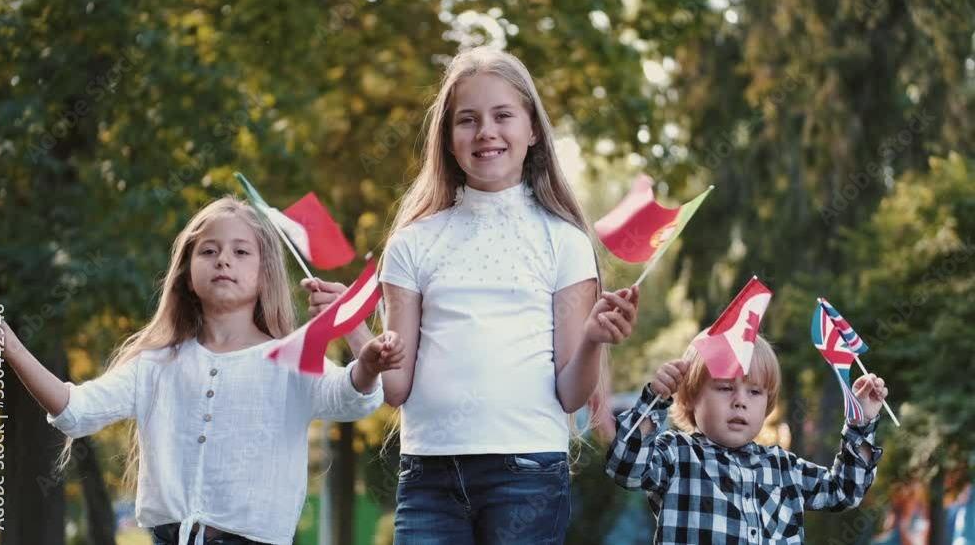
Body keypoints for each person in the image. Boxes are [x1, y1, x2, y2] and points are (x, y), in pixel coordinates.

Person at [0, 196, 405, 545]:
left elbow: (352, 398)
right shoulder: (157, 364)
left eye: (240, 252)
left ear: (264, 274)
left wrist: (359, 347)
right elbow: (75, 409)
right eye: (209, 251)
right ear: (186, 273)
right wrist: (9, 346)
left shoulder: (290, 358)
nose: (223, 261)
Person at [378, 45, 639, 543]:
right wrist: (349, 330)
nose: (486, 132)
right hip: (429, 474)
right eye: (467, 120)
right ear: (448, 139)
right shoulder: (412, 243)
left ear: (533, 129)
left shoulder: (563, 243)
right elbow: (396, 389)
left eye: (503, 115)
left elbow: (571, 394)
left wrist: (593, 338)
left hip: (528, 472)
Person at [606, 331, 888, 544]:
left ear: (767, 403)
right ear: (691, 397)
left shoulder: (782, 466)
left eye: (754, 392)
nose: (740, 401)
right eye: (725, 388)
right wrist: (656, 401)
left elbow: (844, 491)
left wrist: (860, 422)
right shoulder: (677, 454)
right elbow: (625, 467)